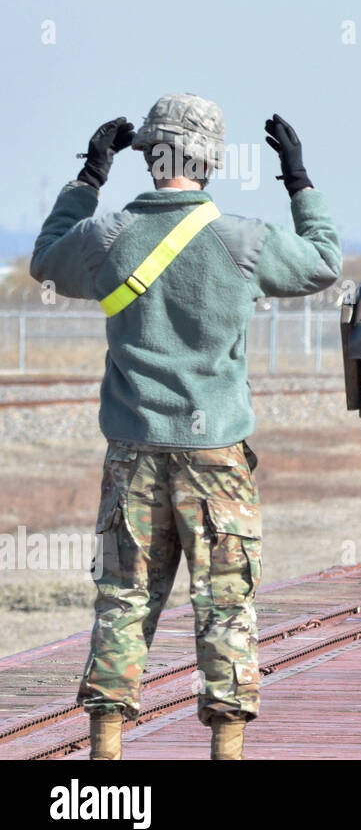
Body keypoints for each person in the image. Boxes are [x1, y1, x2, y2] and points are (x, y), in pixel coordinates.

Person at [29, 94, 341, 760]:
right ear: (211, 162)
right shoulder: (242, 240)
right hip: (215, 458)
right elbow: (323, 261)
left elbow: (46, 258)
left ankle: (106, 752)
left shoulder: (107, 236)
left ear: (149, 156)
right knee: (225, 602)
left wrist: (88, 178)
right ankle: (227, 749)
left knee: (123, 598)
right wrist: (298, 179)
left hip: (133, 453)